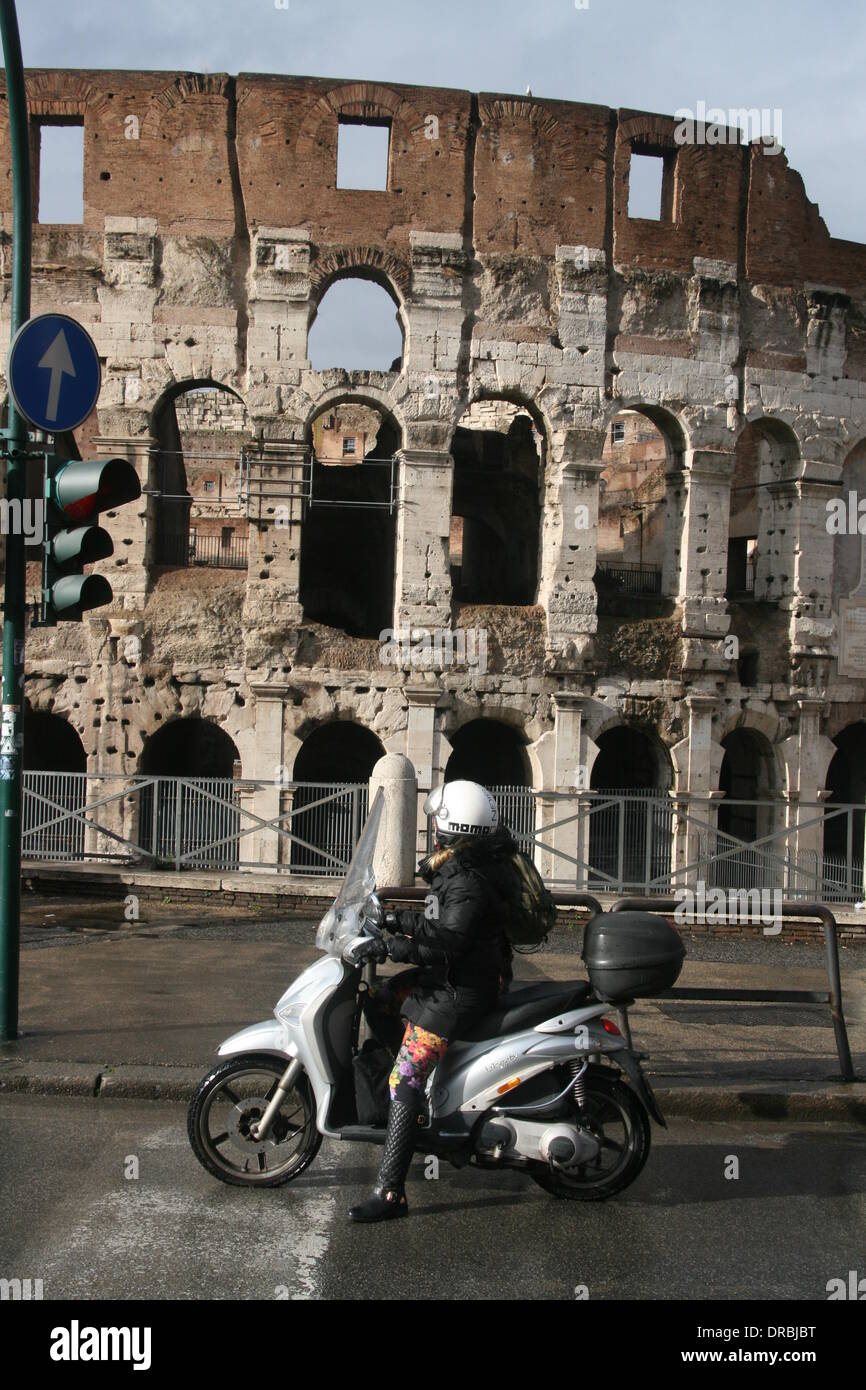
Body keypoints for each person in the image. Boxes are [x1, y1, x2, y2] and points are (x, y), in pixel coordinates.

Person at [348, 779, 520, 1223]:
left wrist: (390, 945)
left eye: (436, 825)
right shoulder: (466, 867)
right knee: (382, 999)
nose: (432, 833)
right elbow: (439, 924)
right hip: (453, 978)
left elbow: (445, 944)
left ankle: (391, 1193)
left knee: (403, 1077)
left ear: (451, 828)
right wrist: (393, 919)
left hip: (460, 991)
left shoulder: (468, 880)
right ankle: (415, 1092)